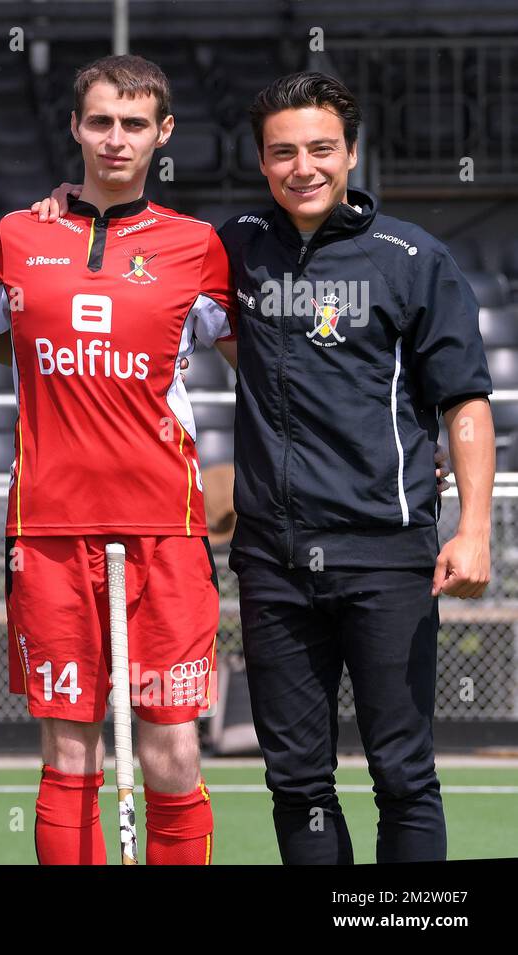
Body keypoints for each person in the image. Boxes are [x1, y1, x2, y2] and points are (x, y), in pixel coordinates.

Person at [0, 54, 235, 865]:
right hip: (49, 532)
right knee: (69, 759)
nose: (116, 138)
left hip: (165, 534)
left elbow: (271, 375)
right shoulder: (18, 235)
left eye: (135, 124)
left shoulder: (198, 246)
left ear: (163, 133)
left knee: (172, 754)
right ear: (74, 127)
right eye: (99, 121)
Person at [216, 72, 494, 863]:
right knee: (296, 779)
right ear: (263, 161)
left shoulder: (413, 258)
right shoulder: (233, 245)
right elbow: (142, 260)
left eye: (319, 148)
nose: (301, 166)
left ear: (352, 152)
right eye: (282, 152)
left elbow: (465, 402)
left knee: (403, 773)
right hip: (273, 560)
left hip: (389, 550)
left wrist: (473, 530)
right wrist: (74, 199)